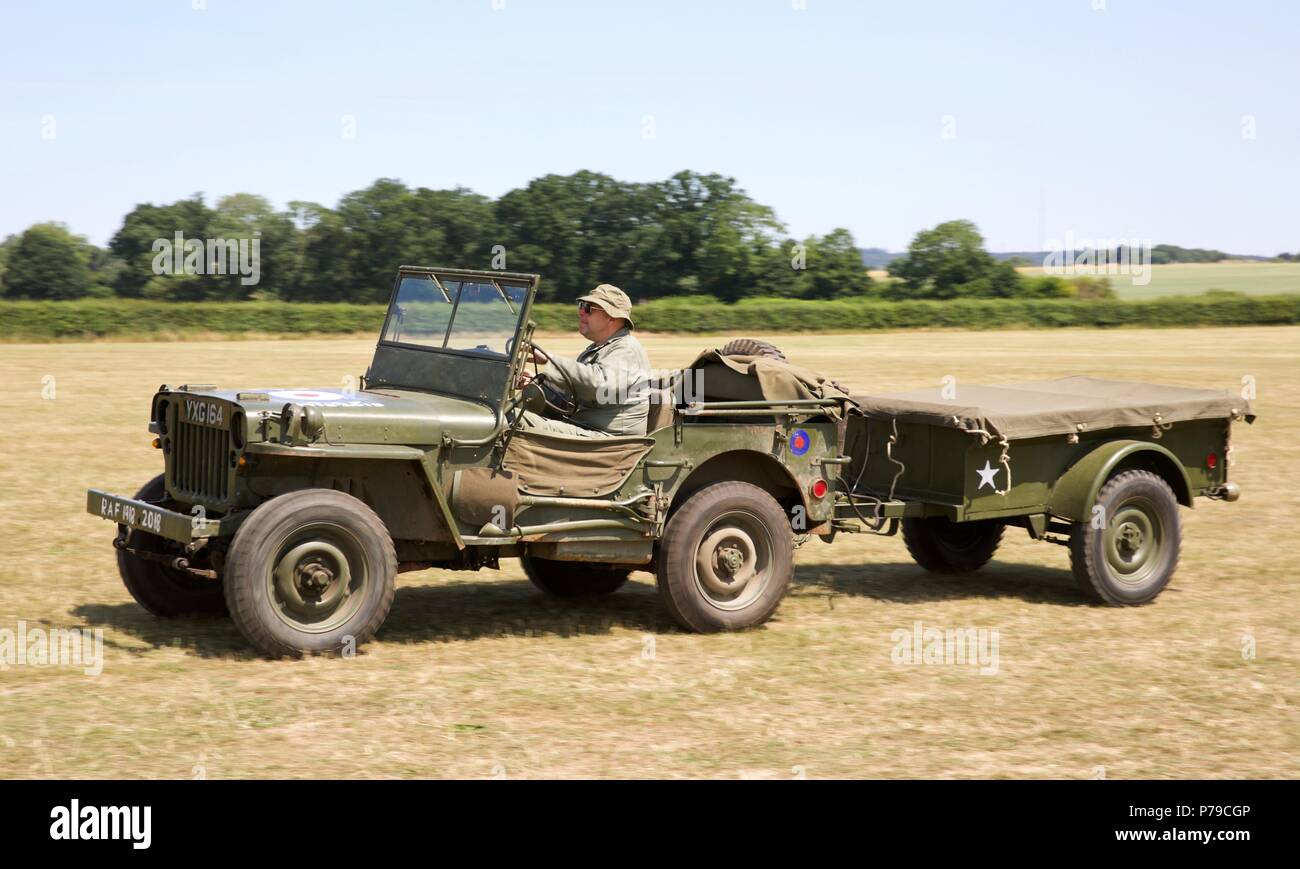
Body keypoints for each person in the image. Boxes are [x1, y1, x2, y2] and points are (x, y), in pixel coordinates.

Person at [514, 284, 651, 437]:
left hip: (610, 441)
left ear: (612, 317)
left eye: (588, 308)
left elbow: (599, 387)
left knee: (512, 419)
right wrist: (536, 384)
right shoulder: (599, 349)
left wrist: (550, 360)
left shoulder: (626, 349)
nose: (580, 312)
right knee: (510, 411)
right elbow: (571, 398)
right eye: (581, 305)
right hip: (587, 428)